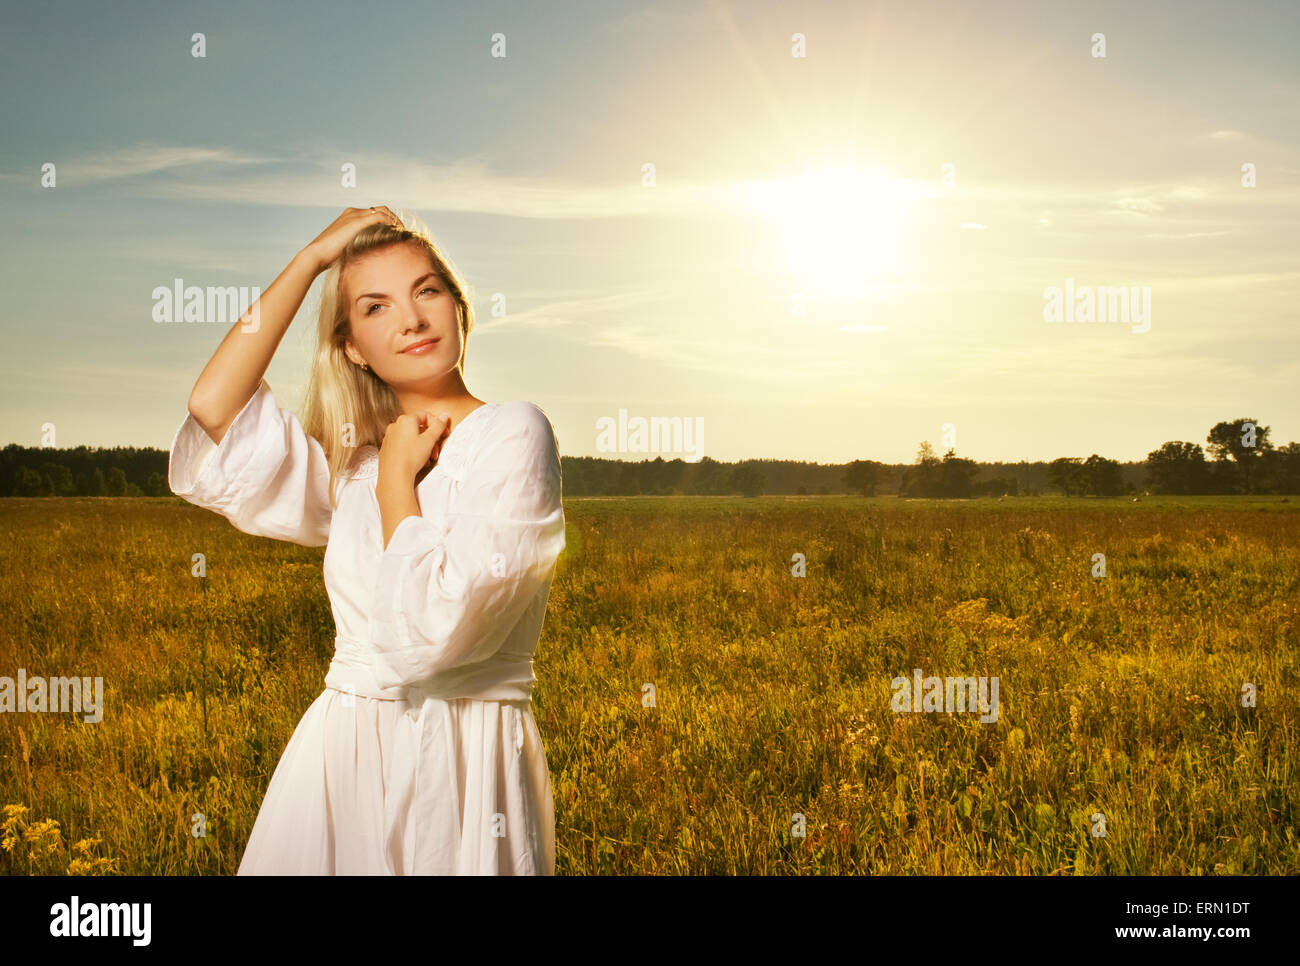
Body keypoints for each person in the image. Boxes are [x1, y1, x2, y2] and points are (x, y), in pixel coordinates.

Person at [167, 207, 566, 874]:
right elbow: (214, 406)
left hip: (466, 762)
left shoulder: (512, 434)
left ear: (459, 309)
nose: (410, 319)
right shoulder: (352, 463)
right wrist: (310, 260)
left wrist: (395, 484)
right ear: (352, 345)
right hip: (343, 754)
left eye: (427, 291)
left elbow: (435, 638)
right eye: (375, 307)